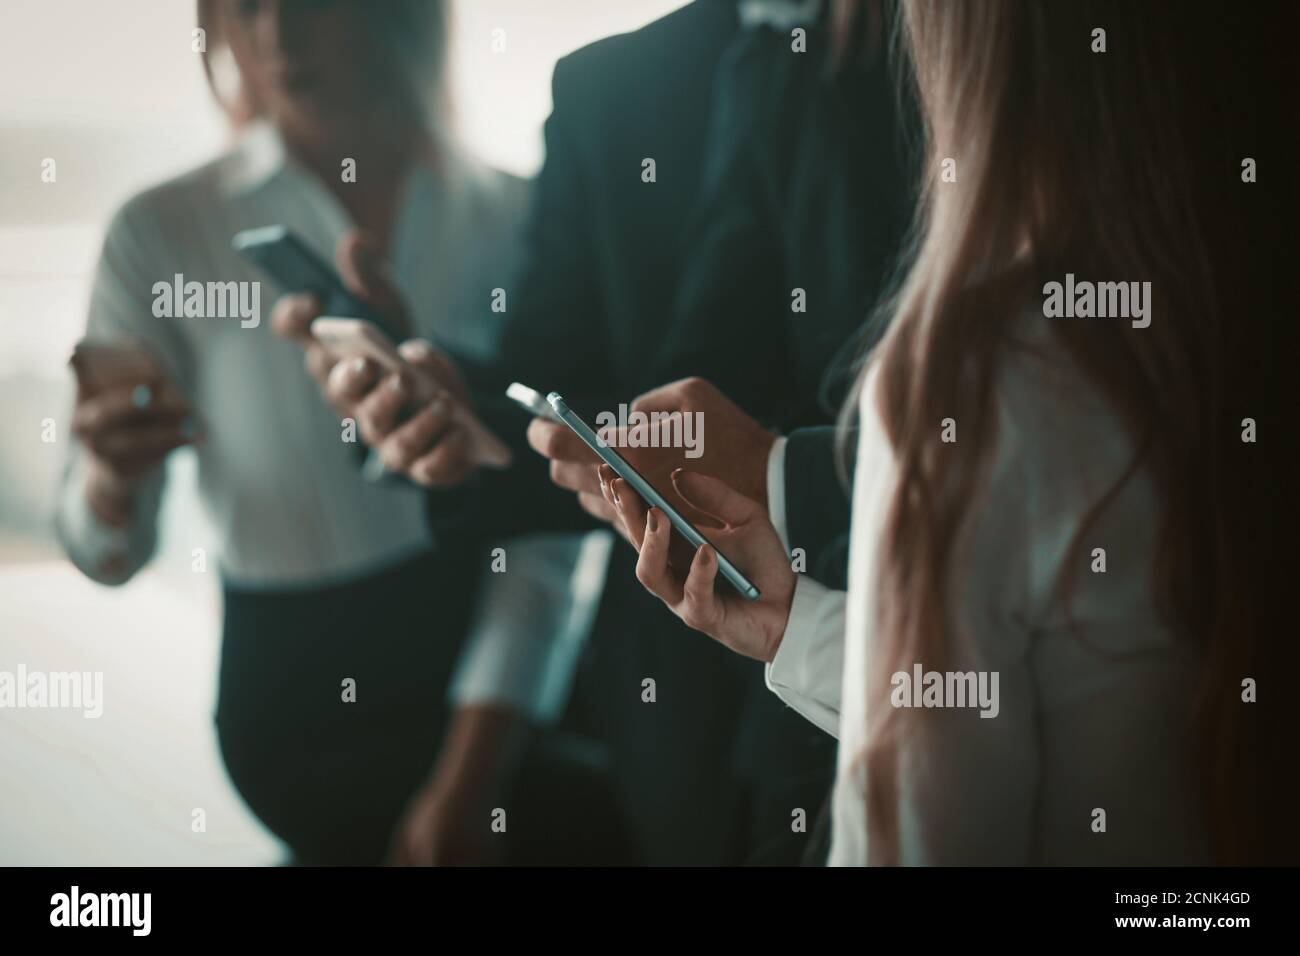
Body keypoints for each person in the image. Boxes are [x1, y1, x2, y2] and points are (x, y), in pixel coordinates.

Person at [558, 0, 1287, 864]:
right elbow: (1073, 709)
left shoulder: (979, 373)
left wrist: (800, 485)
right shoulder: (1223, 312)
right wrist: (801, 631)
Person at [281, 0, 915, 864]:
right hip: (676, 697)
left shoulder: (972, 51)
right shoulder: (605, 86)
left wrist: (784, 474)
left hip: (919, 649)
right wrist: (451, 406)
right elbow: (563, 384)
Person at [55, 0, 594, 865]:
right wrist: (110, 480)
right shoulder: (160, 232)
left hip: (500, 695)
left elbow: (549, 521)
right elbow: (103, 554)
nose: (275, 37)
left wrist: (470, 777)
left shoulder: (515, 214)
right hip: (290, 731)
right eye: (245, 6)